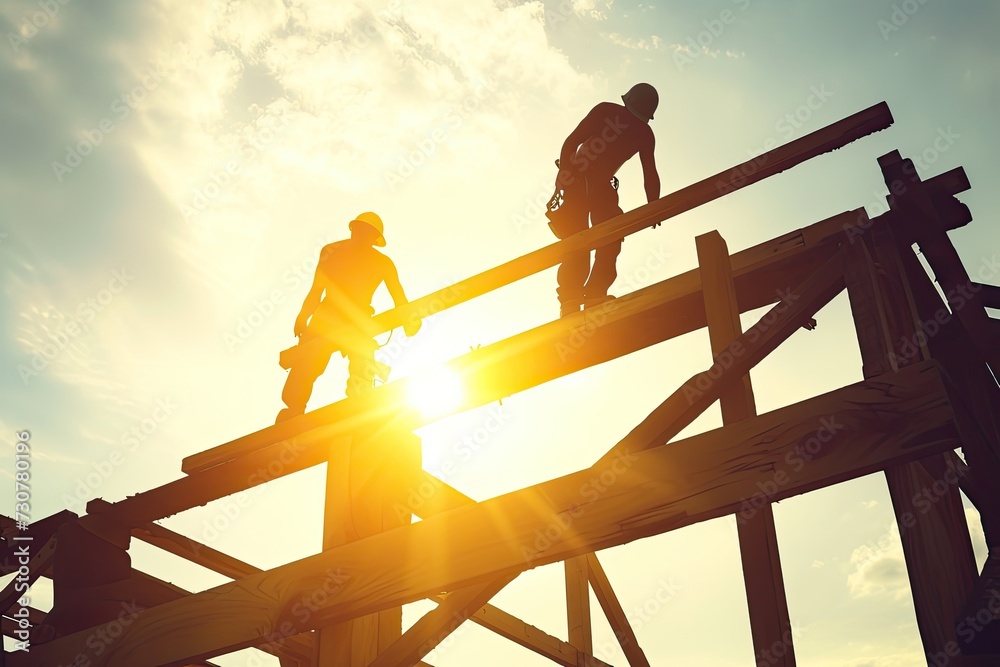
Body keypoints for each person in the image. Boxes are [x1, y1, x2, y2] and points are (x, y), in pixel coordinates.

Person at [276, 212, 421, 422]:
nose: (361, 237)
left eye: (367, 234)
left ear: (374, 238)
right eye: (359, 231)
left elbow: (398, 295)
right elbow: (317, 289)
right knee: (306, 365)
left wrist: (410, 320)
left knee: (362, 361)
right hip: (326, 319)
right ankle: (292, 413)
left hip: (357, 320)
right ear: (352, 230)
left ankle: (359, 405)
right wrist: (303, 316)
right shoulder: (331, 251)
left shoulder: (382, 263)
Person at [551, 82, 661, 318]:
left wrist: (655, 207)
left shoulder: (628, 124)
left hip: (593, 185)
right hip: (581, 182)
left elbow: (572, 142)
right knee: (589, 239)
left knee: (599, 238)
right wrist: (655, 206)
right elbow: (572, 143)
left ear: (629, 100)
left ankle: (587, 297)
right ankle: (580, 297)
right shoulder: (635, 127)